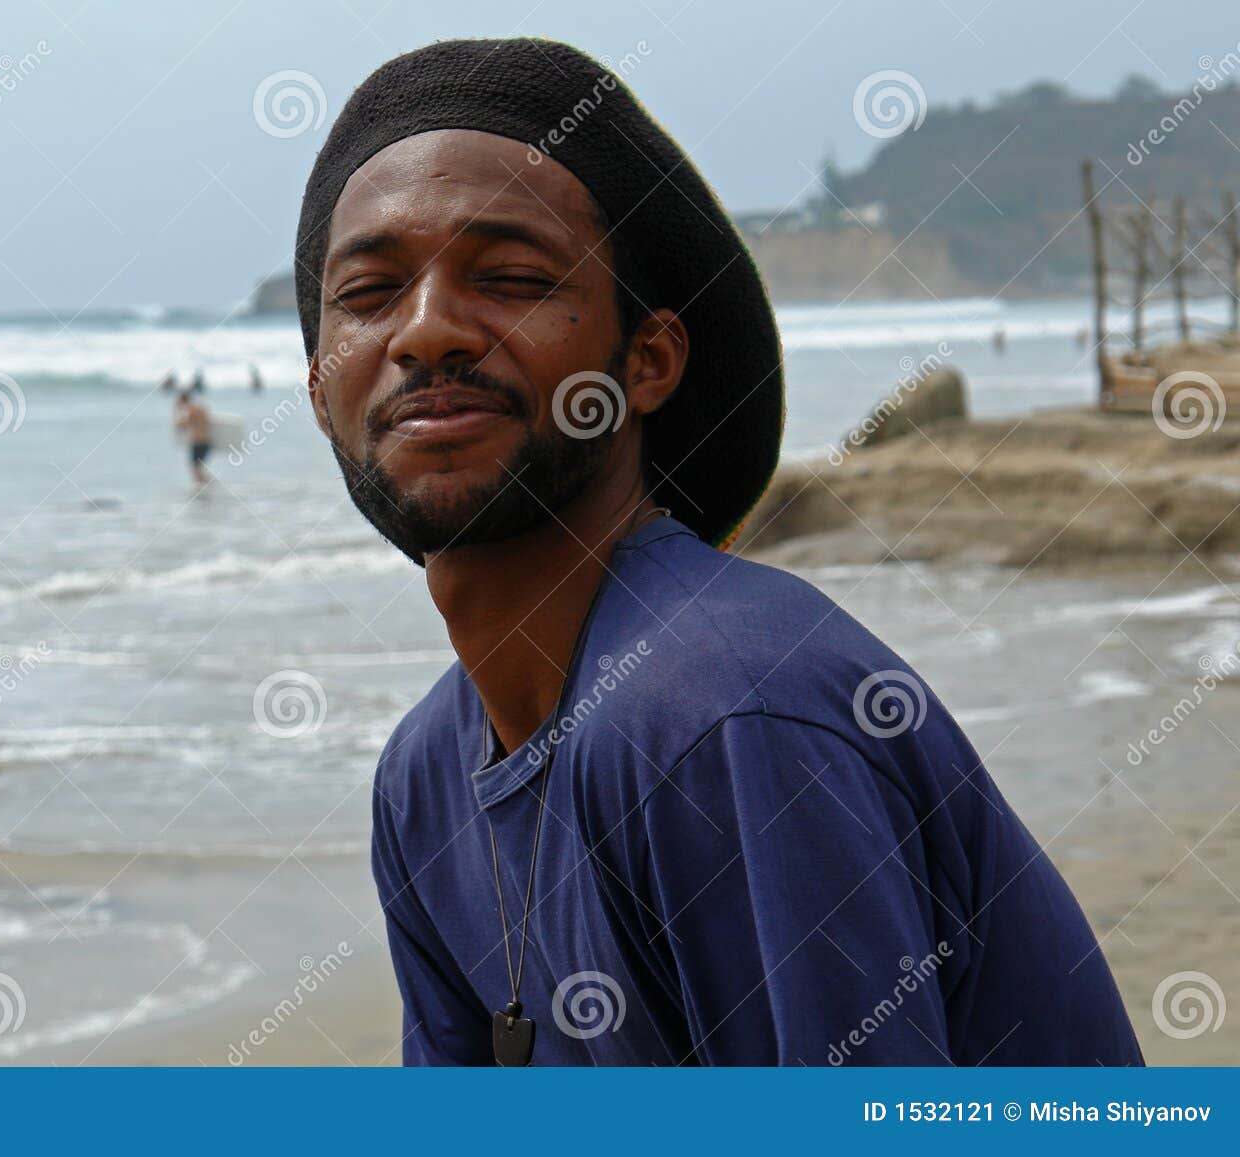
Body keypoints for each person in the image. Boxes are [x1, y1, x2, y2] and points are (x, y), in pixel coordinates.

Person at [296, 39, 1143, 1067]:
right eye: (370, 293)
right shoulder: (423, 777)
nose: (425, 332)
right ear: (316, 389)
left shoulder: (722, 715)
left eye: (512, 276)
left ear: (646, 361)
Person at [173, 387, 213, 487]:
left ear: (183, 401)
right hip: (207, 442)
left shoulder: (191, 411)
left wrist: (176, 412)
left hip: (198, 442)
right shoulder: (201, 408)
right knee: (200, 469)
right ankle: (209, 487)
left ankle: (203, 490)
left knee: (196, 470)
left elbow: (181, 426)